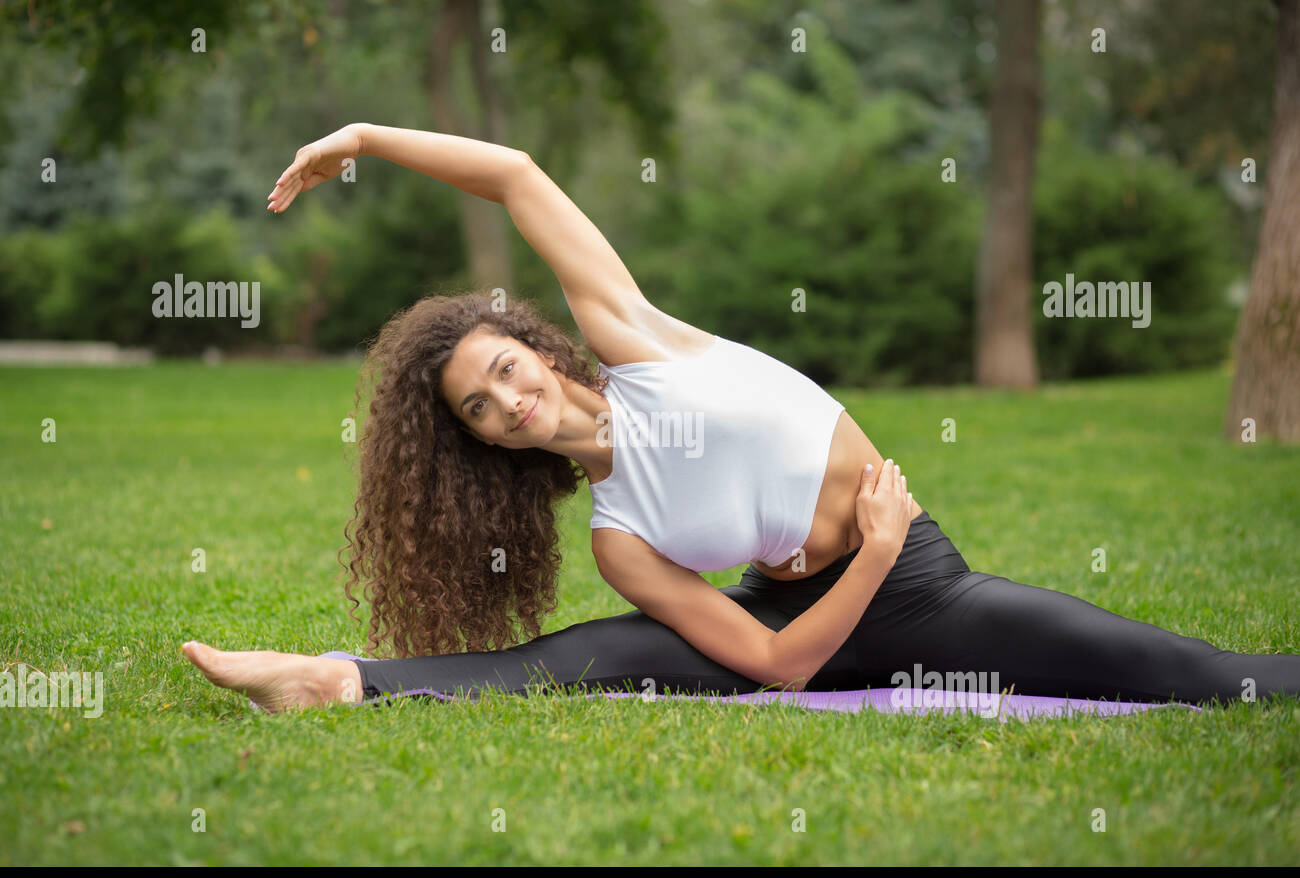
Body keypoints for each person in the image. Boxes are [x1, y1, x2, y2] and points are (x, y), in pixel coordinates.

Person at [182, 124, 1300, 713]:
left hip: (920, 588)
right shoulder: (621, 537)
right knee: (594, 652)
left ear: (530, 342)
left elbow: (518, 176)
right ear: (483, 441)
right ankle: (337, 676)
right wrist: (855, 562)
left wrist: (368, 141)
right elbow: (777, 664)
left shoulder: (636, 338)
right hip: (824, 599)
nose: (509, 400)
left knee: (1193, 676)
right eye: (480, 408)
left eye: (504, 368)